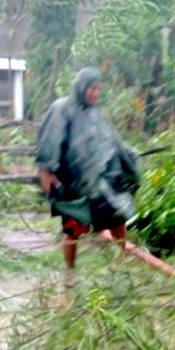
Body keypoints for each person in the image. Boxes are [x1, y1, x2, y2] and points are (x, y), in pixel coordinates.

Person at [36, 68, 139, 272]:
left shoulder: (95, 113)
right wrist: (46, 171)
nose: (96, 94)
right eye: (92, 88)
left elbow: (111, 139)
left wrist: (128, 154)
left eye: (99, 89)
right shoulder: (62, 109)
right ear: (81, 87)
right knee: (73, 228)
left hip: (102, 181)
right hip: (75, 182)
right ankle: (71, 270)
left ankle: (120, 260)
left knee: (117, 218)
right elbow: (50, 140)